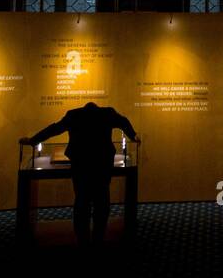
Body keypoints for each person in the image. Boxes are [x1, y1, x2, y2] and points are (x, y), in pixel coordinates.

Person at [20, 102, 138, 246]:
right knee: (102, 200)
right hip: (101, 162)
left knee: (82, 200)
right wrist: (133, 136)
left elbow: (54, 129)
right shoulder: (107, 113)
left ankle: (82, 239)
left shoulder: (74, 115)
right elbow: (123, 122)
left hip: (81, 162)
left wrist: (33, 140)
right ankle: (98, 238)